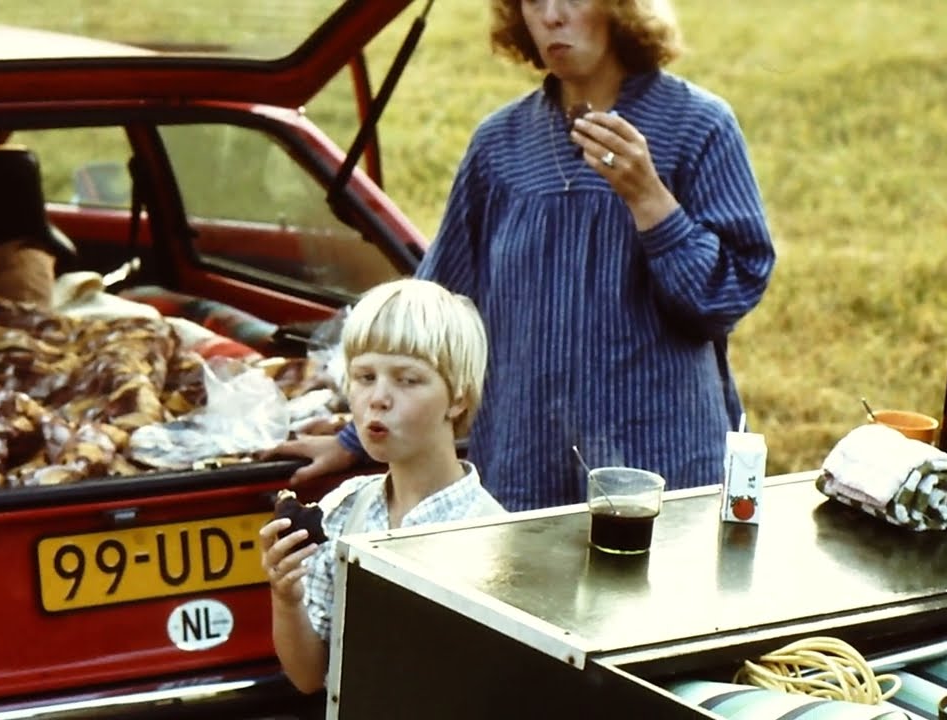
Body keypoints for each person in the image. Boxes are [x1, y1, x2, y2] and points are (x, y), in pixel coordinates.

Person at [275, 0, 775, 510]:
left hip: (661, 473)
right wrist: (356, 437)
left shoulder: (698, 127)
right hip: (523, 471)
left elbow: (725, 296)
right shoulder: (500, 146)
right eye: (533, 1)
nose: (551, 16)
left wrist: (649, 198)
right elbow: (435, 320)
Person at [258, 278, 506, 694]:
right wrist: (286, 597)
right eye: (365, 376)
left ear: (458, 397)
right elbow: (308, 677)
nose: (378, 398)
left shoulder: (491, 538)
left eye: (408, 379)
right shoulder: (343, 510)